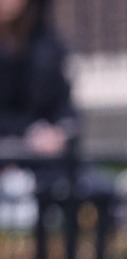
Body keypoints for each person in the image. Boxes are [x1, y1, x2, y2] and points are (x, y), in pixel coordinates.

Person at [0, 0, 73, 160]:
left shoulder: (44, 45)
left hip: (45, 156)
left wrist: (59, 130)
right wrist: (28, 131)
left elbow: (63, 104)